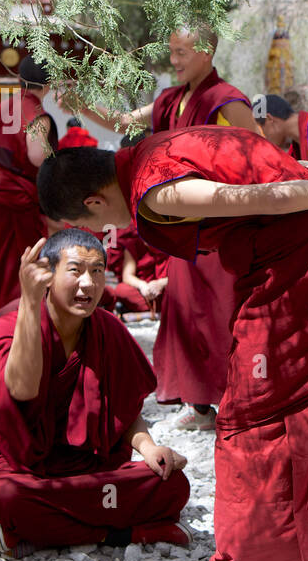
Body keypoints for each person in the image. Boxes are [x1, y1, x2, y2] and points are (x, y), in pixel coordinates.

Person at [36, 128, 308, 561]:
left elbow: (256, 194)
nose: (102, 234)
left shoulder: (156, 186)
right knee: (304, 407)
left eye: (89, 224)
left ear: (95, 201)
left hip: (301, 276)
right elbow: (271, 164)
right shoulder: (160, 145)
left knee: (250, 419)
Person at [0, 230, 190, 555]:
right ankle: (121, 534)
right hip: (17, 470)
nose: (87, 284)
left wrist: (149, 448)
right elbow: (23, 389)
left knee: (172, 484)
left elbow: (123, 410)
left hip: (89, 469)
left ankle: (47, 531)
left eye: (97, 271)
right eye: (75, 270)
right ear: (48, 276)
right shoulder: (2, 331)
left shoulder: (108, 329)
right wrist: (29, 300)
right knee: (6, 499)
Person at [76, 26, 258, 431]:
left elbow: (257, 154)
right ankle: (200, 404)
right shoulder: (171, 100)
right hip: (183, 225)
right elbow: (122, 120)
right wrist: (81, 104)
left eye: (181, 52)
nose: (173, 60)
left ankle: (239, 402)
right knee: (189, 312)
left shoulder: (226, 100)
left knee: (224, 311)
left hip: (220, 221)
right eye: (172, 52)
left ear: (206, 51)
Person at [0, 56, 56, 323]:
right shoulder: (37, 116)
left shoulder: (0, 109)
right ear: (49, 84)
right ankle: (16, 326)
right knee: (22, 262)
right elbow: (37, 158)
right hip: (20, 198)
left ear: (19, 79)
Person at [109, 225, 168, 314]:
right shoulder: (134, 243)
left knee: (177, 290)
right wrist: (142, 286)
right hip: (144, 292)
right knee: (121, 290)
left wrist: (161, 284)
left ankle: (152, 309)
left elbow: (179, 275)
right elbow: (127, 276)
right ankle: (156, 309)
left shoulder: (170, 246)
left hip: (164, 290)